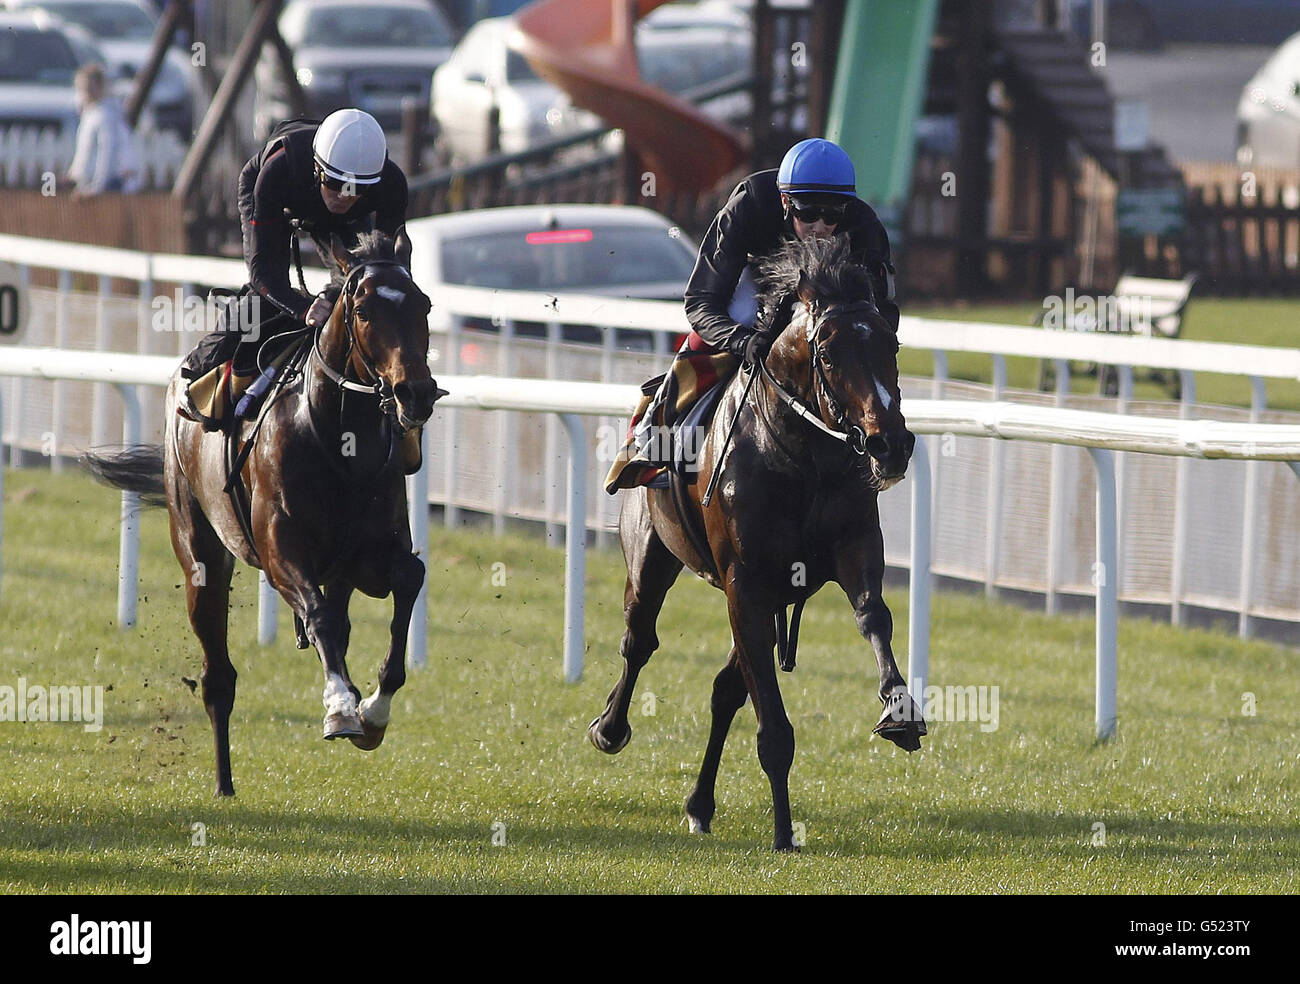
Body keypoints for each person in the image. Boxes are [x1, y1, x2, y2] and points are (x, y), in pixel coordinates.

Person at [604, 137, 898, 493]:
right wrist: (742, 341)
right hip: (753, 282)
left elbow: (881, 317)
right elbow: (701, 302)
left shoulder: (864, 227)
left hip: (826, 307)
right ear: (785, 202)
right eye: (808, 213)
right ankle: (653, 441)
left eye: (832, 215)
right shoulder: (749, 205)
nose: (820, 226)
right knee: (720, 326)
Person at [178, 109, 412, 434]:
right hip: (281, 193)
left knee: (361, 292)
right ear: (318, 169)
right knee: (264, 301)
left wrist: (341, 298)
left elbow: (390, 272)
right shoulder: (278, 168)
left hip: (326, 202)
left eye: (358, 189)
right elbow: (263, 275)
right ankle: (202, 369)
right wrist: (303, 309)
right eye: (337, 184)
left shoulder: (391, 184)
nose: (345, 197)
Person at [67, 64, 141, 197]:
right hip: (93, 185)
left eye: (84, 89)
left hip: (110, 185)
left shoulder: (105, 116)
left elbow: (107, 153)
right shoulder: (91, 115)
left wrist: (97, 188)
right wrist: (75, 173)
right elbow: (86, 153)